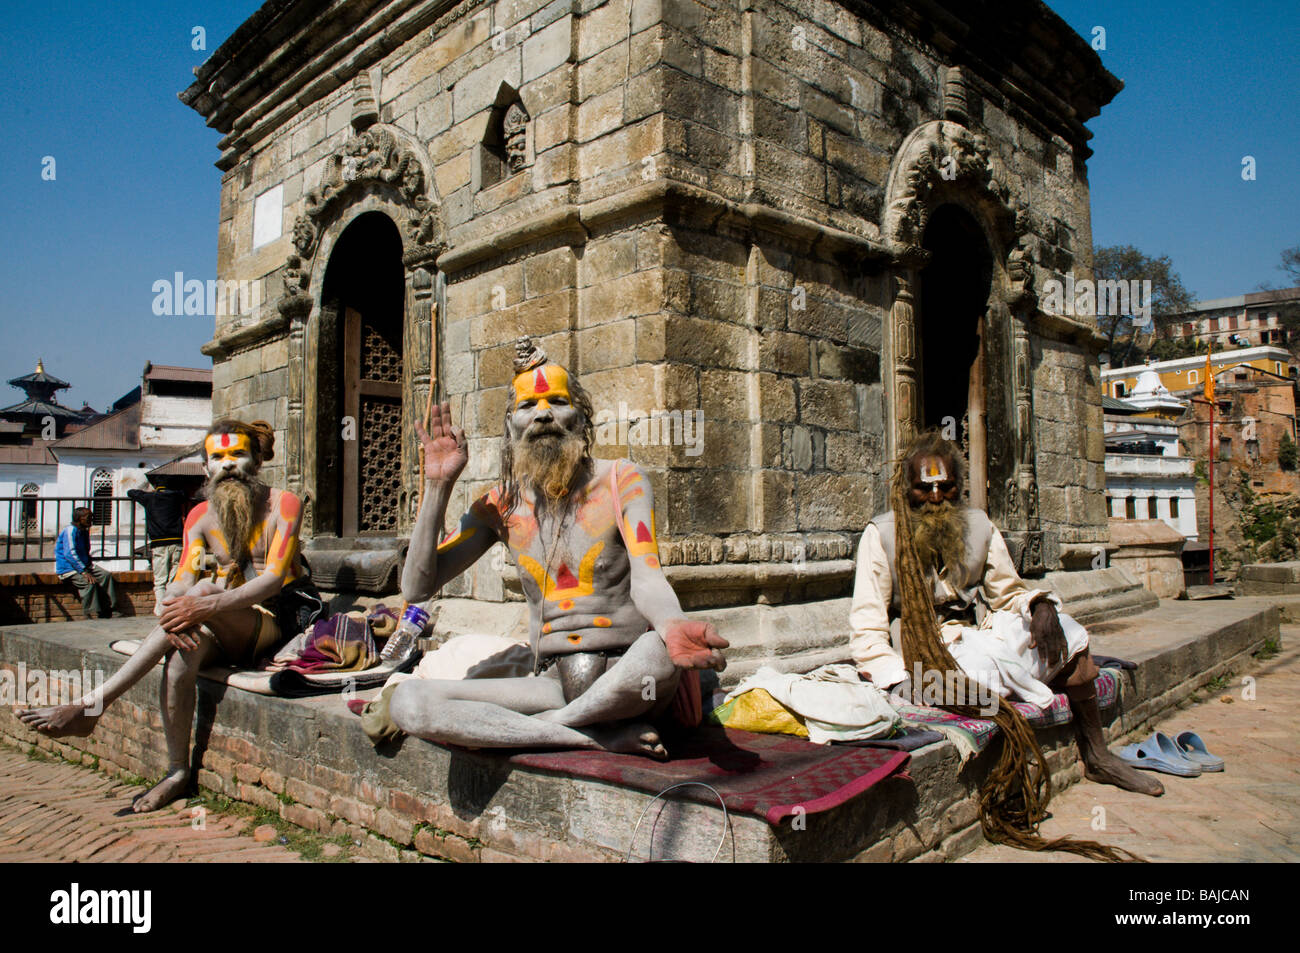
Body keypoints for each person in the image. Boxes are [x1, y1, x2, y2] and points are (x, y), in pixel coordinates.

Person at [383, 337, 728, 758]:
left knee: (658, 652)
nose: (543, 413)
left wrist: (673, 625)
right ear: (510, 426)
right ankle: (586, 735)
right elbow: (417, 588)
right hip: (550, 686)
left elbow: (648, 577)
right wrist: (438, 487)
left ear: (582, 418)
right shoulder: (499, 505)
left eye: (557, 401)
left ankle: (538, 730)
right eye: (528, 406)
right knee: (408, 702)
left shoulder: (622, 480)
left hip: (629, 677)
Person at [19, 419, 324, 812]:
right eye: (218, 457)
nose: (228, 464)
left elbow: (271, 581)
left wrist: (203, 603)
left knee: (204, 591)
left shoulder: (283, 503)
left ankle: (94, 704)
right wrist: (176, 606)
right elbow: (182, 579)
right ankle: (177, 771)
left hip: (277, 621)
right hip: (225, 622)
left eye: (237, 454)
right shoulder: (199, 516)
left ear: (257, 462)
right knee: (181, 659)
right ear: (205, 468)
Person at [849, 430, 1162, 800]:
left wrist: (1040, 606)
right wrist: (898, 681)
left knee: (1069, 636)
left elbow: (1008, 592)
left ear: (959, 486)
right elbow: (867, 630)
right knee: (978, 683)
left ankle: (1097, 754)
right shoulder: (881, 534)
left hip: (978, 634)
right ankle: (1020, 690)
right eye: (923, 488)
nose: (935, 498)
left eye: (945, 487)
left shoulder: (978, 525)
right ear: (906, 489)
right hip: (926, 650)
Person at [127, 478, 191, 611]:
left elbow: (131, 492)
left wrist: (149, 492)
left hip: (159, 543)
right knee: (174, 578)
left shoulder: (149, 498)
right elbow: (185, 494)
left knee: (160, 580)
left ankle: (161, 608)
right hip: (177, 541)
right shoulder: (175, 496)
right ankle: (172, 605)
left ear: (155, 487)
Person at [55, 506, 119, 619]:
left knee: (106, 576)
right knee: (88, 583)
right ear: (80, 519)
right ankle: (92, 613)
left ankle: (109, 609)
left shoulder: (83, 531)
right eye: (88, 517)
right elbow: (70, 553)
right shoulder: (70, 531)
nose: (91, 520)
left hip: (84, 566)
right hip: (68, 568)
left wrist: (88, 567)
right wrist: (84, 571)